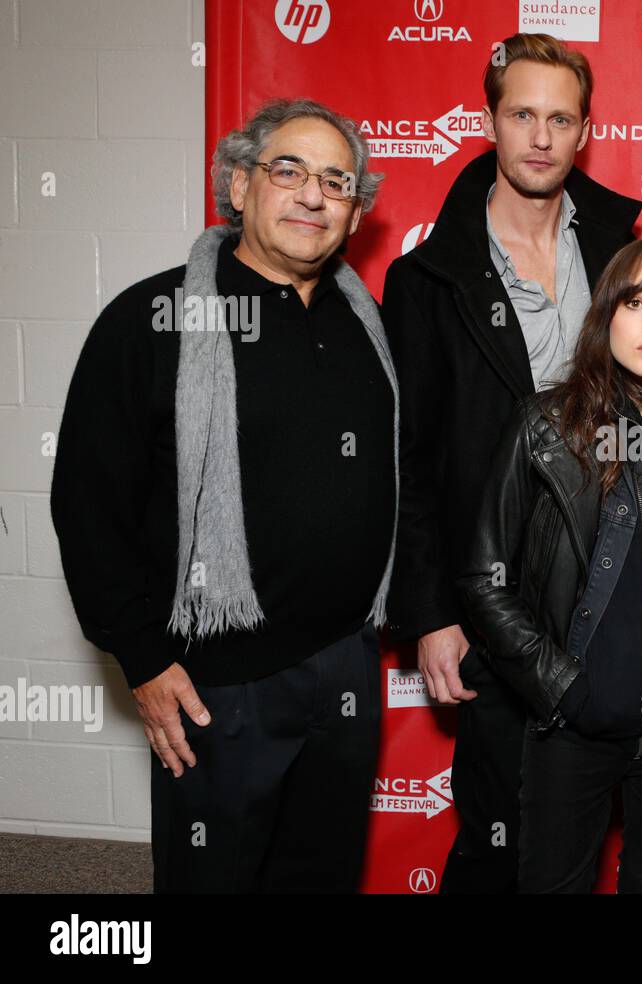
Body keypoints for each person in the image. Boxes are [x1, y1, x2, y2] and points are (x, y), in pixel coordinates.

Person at [50, 98, 397, 892]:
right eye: (289, 170)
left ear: (354, 212)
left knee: (321, 876)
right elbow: (88, 505)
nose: (313, 194)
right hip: (217, 683)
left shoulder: (364, 325)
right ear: (239, 186)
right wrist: (142, 655)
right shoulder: (151, 320)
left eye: (337, 181)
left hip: (345, 664)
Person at [382, 33, 642, 893]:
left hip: (613, 584)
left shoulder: (623, 252)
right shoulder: (430, 279)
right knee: (498, 832)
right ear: (490, 121)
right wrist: (427, 611)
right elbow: (408, 458)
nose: (540, 135)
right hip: (494, 593)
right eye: (522, 113)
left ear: (583, 130)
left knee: (587, 828)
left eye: (559, 118)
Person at [457, 238, 642, 893]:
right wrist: (560, 686)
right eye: (635, 301)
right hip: (575, 727)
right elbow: (485, 580)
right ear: (607, 317)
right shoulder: (546, 426)